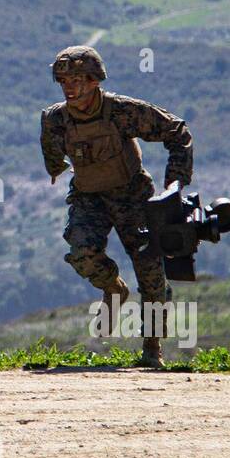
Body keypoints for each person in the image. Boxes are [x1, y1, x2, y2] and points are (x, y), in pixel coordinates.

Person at [39, 45, 193, 368]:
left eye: (77, 79)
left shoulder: (122, 111)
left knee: (150, 273)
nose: (69, 87)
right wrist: (55, 168)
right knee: (81, 253)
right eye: (63, 81)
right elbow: (51, 150)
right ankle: (113, 289)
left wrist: (174, 186)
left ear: (95, 81)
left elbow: (176, 131)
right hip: (89, 197)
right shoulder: (55, 120)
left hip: (132, 196)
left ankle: (152, 348)